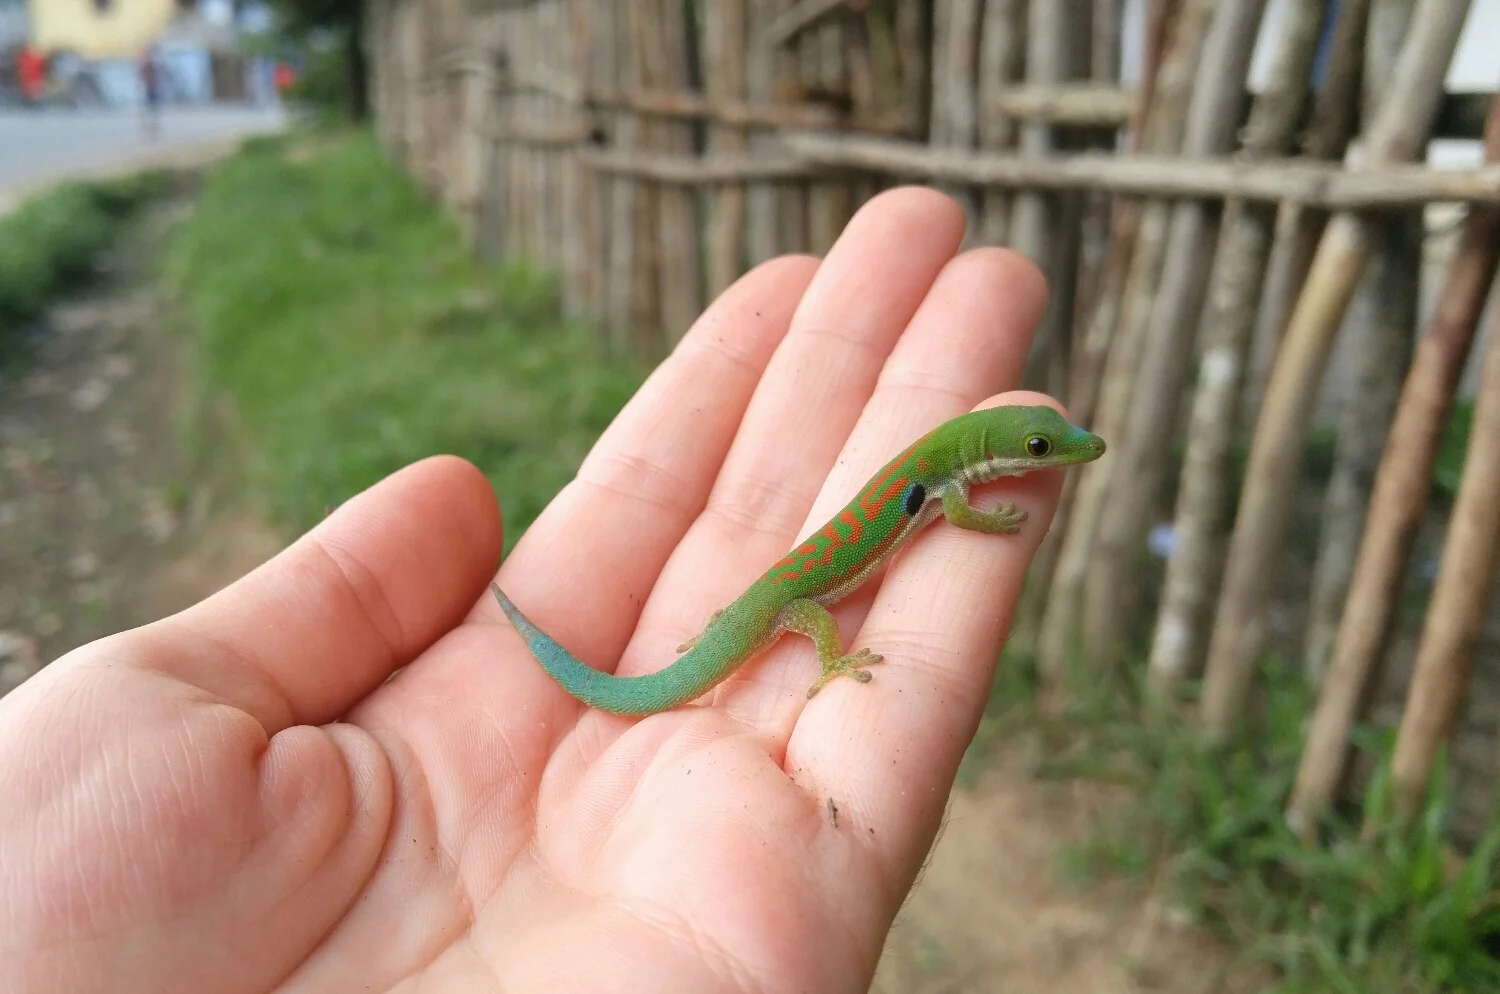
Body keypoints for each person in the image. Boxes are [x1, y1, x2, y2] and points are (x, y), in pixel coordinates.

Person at [0, 189, 1062, 992]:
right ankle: (807, 654)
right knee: (786, 626)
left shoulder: (949, 473)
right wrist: (835, 653)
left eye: (1040, 451)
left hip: (770, 587)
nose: (1053, 453)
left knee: (740, 625)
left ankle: (717, 650)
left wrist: (981, 507)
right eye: (1036, 449)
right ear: (990, 453)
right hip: (785, 599)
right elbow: (933, 511)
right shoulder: (946, 473)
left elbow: (940, 505)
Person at [139, 44, 160, 138]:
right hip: (149, 85)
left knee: (152, 103)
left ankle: (152, 120)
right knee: (149, 103)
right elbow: (143, 73)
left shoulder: (151, 62)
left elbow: (154, 73)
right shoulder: (146, 63)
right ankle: (149, 121)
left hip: (152, 85)